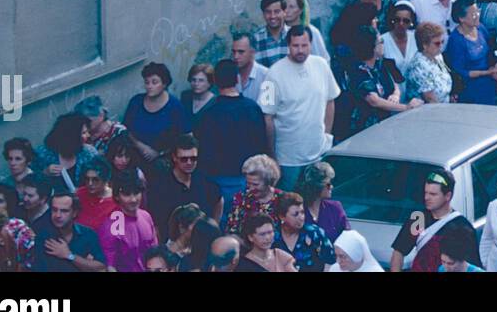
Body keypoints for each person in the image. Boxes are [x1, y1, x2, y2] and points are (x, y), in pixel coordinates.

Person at [258, 27, 339, 190]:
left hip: (318, 153)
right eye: (295, 46)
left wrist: (327, 136)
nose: (300, 50)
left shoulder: (321, 65)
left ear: (311, 44)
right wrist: (272, 156)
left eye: (304, 45)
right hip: (287, 159)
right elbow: (266, 117)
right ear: (288, 45)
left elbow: (330, 101)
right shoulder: (273, 74)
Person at [193, 59, 267, 204]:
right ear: (237, 79)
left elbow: (203, 150)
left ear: (214, 81)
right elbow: (261, 142)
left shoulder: (207, 113)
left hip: (217, 181)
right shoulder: (252, 108)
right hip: (249, 179)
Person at [389, 169, 479, 273]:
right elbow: (399, 252)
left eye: (433, 194)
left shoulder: (462, 226)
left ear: (448, 196)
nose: (426, 197)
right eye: (426, 193)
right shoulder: (418, 219)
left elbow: (470, 266)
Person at [122, 63, 189, 163]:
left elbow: (185, 136)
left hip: (163, 159)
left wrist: (160, 153)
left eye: (154, 82)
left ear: (164, 84)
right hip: (134, 154)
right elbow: (125, 129)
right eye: (147, 82)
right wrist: (140, 145)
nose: (149, 86)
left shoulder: (175, 107)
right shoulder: (136, 102)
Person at [97, 171, 158, 273]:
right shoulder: (111, 226)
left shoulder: (146, 216)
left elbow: (155, 253)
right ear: (117, 196)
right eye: (127, 194)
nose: (133, 199)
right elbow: (109, 266)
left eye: (136, 193)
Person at [31, 193, 107, 272]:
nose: (58, 215)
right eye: (54, 210)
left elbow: (100, 266)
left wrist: (69, 255)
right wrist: (85, 263)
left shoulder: (88, 234)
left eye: (64, 211)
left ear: (74, 213)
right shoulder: (43, 237)